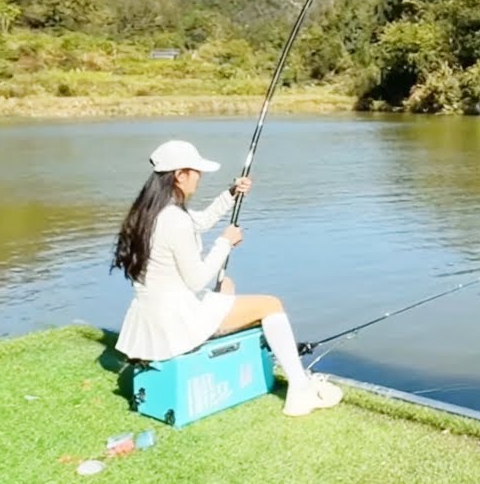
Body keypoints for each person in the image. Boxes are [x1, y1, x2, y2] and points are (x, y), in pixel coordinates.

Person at [111, 139, 342, 417]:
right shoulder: (174, 219)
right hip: (177, 320)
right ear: (179, 175)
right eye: (195, 171)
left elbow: (200, 222)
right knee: (270, 304)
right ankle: (299, 389)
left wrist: (231, 194)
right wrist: (225, 242)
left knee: (228, 286)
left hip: (152, 316)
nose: (199, 177)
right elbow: (196, 280)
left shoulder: (147, 212)